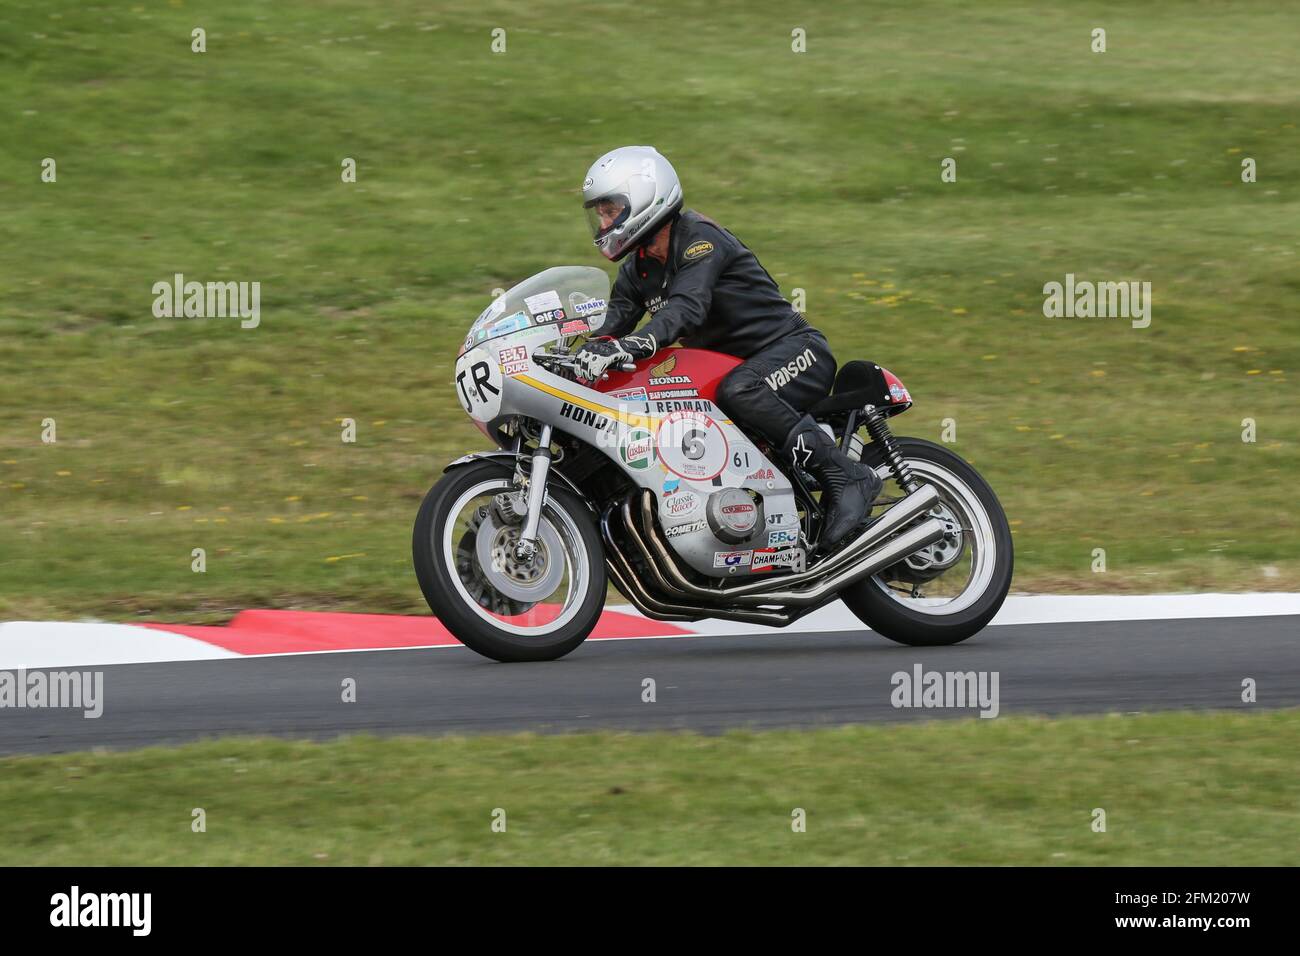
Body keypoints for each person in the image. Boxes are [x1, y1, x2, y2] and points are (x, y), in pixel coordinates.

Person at [573, 145, 880, 548]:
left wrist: (637, 343)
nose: (604, 221)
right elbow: (613, 322)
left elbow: (688, 306)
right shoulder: (639, 268)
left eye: (611, 210)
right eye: (600, 213)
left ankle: (847, 475)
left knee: (739, 389)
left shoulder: (699, 239)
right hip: (734, 367)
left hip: (795, 351)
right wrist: (581, 351)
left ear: (647, 197)